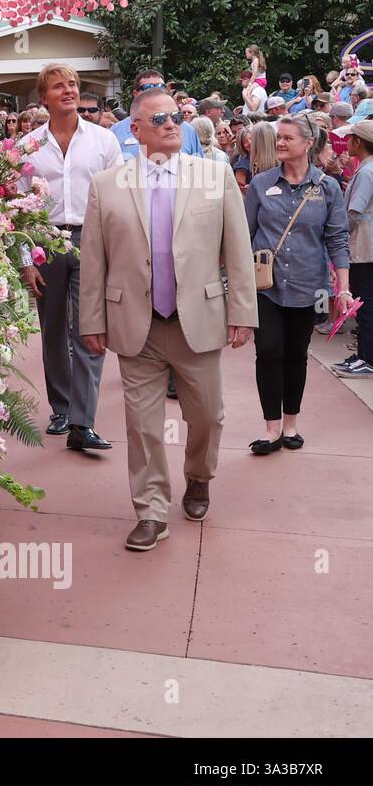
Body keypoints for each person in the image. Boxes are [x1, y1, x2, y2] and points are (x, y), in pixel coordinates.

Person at [80, 89, 256, 550]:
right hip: (134, 323)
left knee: (207, 417)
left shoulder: (215, 178)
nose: (171, 124)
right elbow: (93, 261)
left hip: (197, 319)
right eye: (158, 119)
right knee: (142, 425)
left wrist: (243, 313)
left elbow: (238, 253)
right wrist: (91, 321)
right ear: (135, 130)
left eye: (176, 116)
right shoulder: (106, 184)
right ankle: (151, 510)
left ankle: (199, 476)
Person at [19, 62, 122, 449]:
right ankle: (61, 408)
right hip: (45, 240)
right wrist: (26, 259)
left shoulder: (103, 141)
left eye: (74, 85)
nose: (69, 91)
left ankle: (83, 421)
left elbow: (119, 197)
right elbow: (14, 206)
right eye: (59, 86)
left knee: (89, 329)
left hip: (91, 238)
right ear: (43, 97)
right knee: (53, 329)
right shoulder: (28, 145)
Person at [244, 113, 351, 454]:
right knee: (269, 351)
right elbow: (243, 235)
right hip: (266, 287)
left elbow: (337, 240)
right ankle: (271, 428)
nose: (280, 142)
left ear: (307, 144)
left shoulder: (327, 187)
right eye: (279, 137)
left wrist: (343, 289)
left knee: (296, 355)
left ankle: (291, 423)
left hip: (311, 286)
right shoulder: (261, 184)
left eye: (288, 138)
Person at [334, 120, 373, 377]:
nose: (346, 143)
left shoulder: (366, 172)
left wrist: (335, 236)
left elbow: (354, 212)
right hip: (365, 248)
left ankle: (366, 358)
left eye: (350, 139)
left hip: (364, 249)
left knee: (365, 306)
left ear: (358, 142)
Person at [111, 69, 204, 160]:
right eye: (148, 87)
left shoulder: (188, 130)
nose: (156, 91)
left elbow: (198, 168)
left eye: (161, 87)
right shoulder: (116, 131)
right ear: (135, 94)